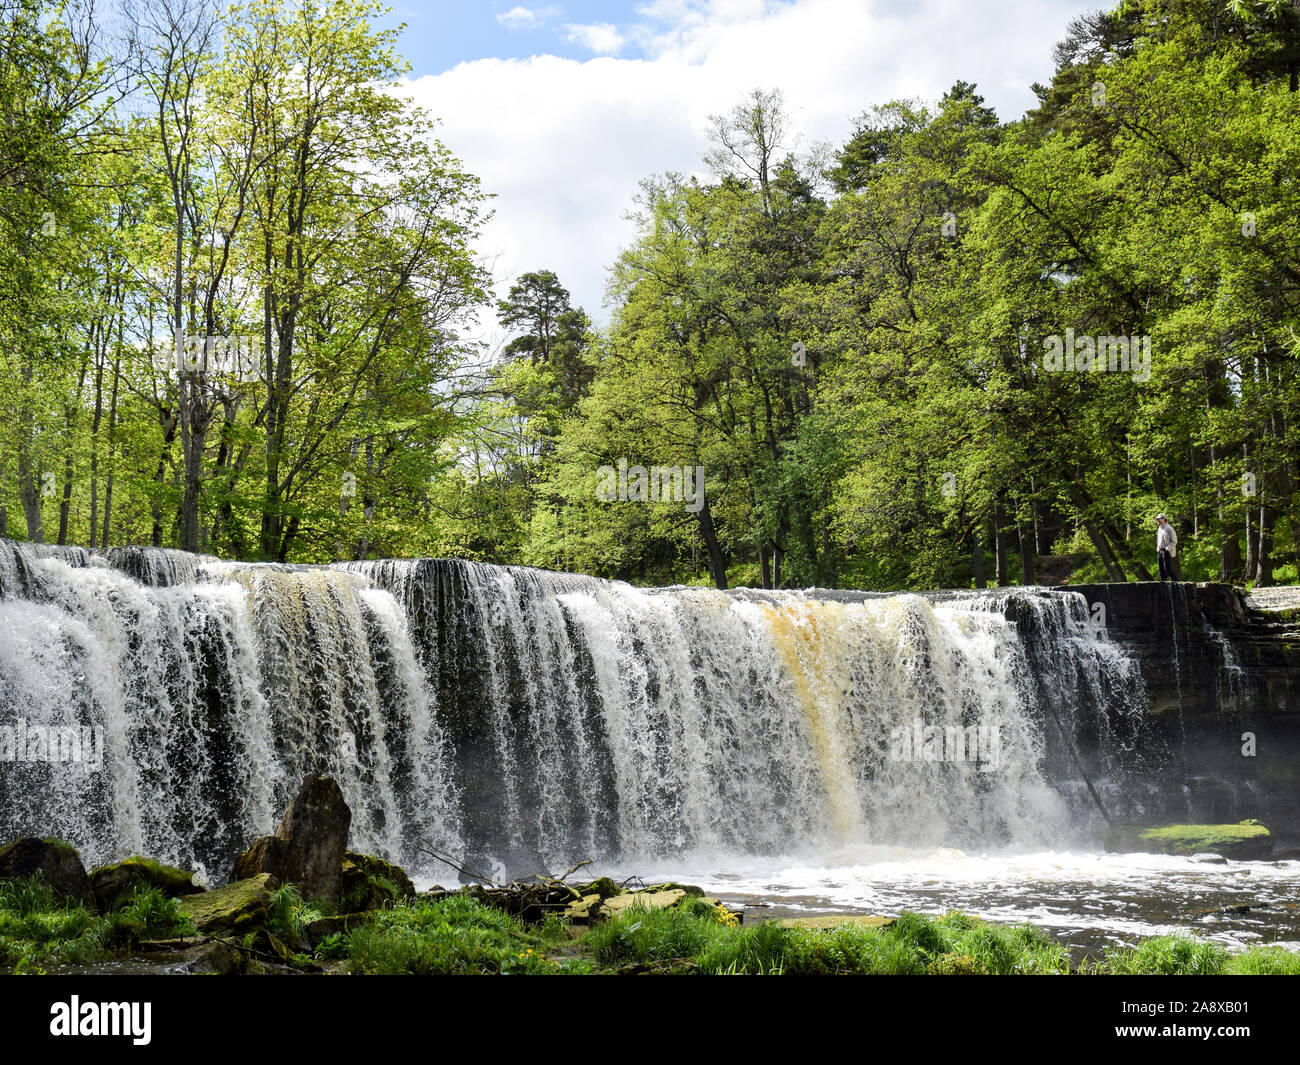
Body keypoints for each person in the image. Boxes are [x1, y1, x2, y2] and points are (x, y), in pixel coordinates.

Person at [1156, 513, 1178, 581]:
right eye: (1157, 519)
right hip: (1160, 550)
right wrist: (1158, 547)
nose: (1158, 520)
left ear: (1164, 519)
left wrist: (1167, 549)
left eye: (1159, 519)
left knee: (1167, 569)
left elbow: (1174, 541)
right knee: (1161, 569)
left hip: (1167, 551)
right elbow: (1159, 539)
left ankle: (1175, 582)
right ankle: (1163, 583)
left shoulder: (1169, 528)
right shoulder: (1159, 528)